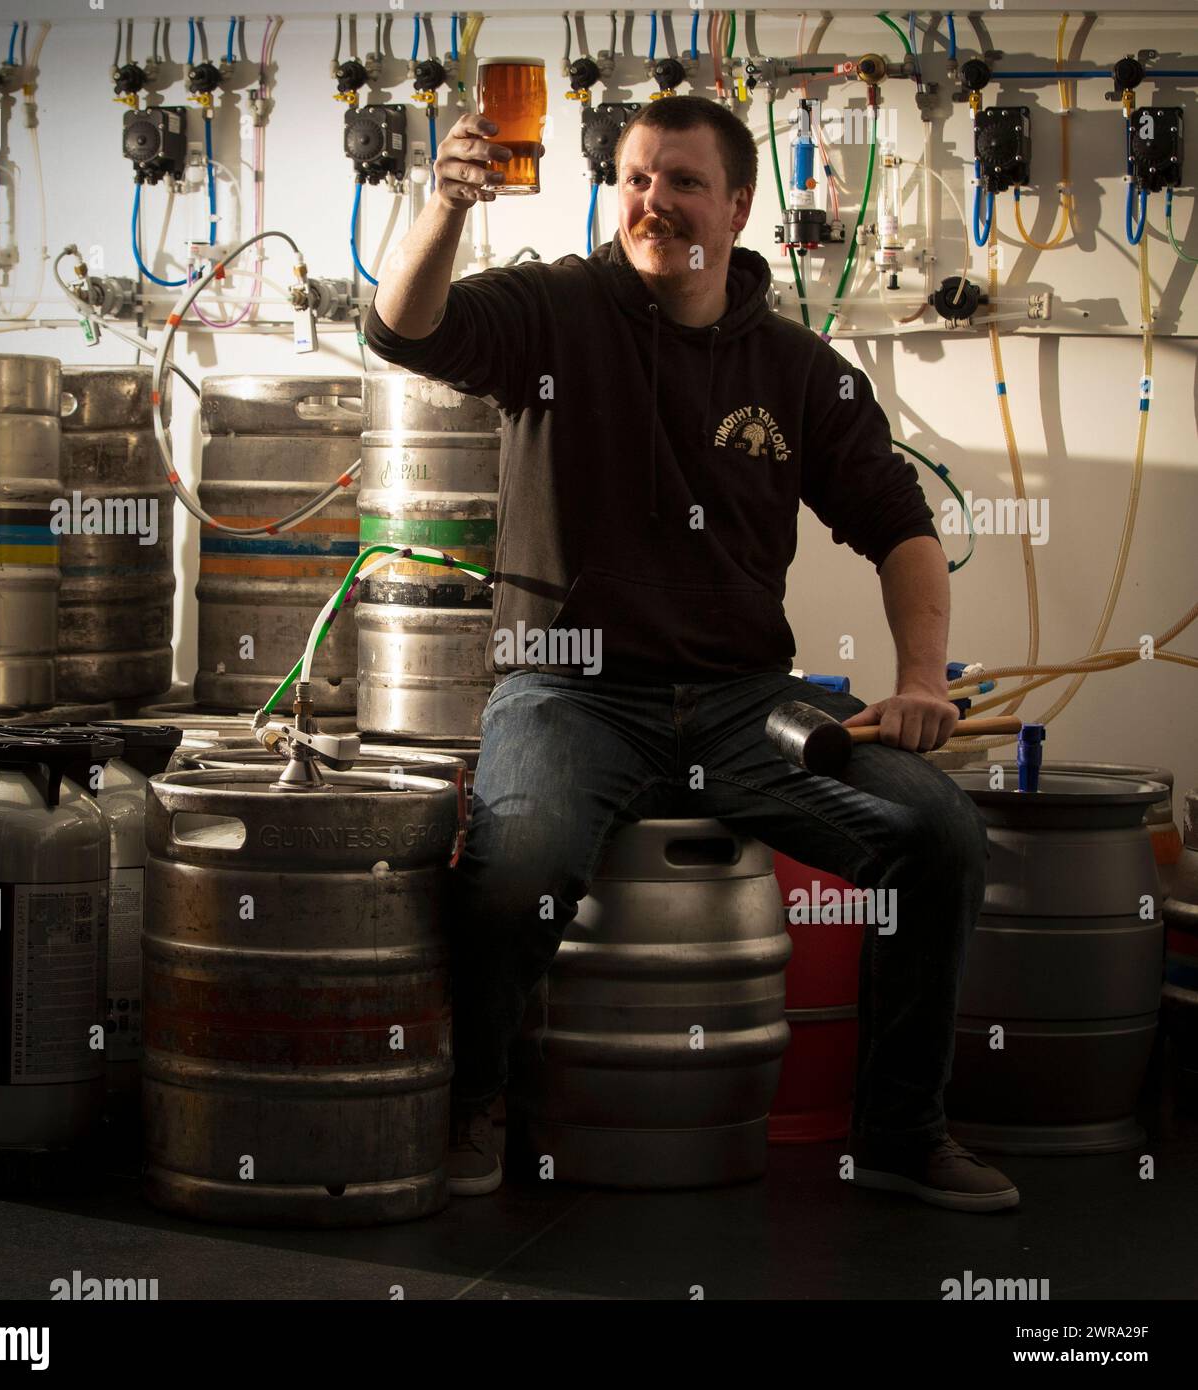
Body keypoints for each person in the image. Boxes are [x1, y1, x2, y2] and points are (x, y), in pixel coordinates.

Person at [364, 95, 1018, 1213]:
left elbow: (901, 525)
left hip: (740, 701)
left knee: (938, 832)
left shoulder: (801, 370)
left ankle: (902, 1131)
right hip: (569, 688)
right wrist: (442, 207)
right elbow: (403, 328)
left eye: (679, 181)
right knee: (519, 867)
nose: (651, 202)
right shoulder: (551, 311)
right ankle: (477, 1096)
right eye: (632, 179)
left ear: (738, 204)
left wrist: (918, 683)